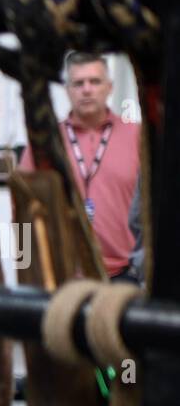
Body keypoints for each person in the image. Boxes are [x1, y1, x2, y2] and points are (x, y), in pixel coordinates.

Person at [19, 51, 141, 283]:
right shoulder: (45, 140)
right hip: (62, 276)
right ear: (67, 90)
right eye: (78, 83)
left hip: (124, 275)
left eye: (95, 82)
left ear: (109, 87)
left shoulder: (136, 136)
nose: (87, 89)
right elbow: (23, 204)